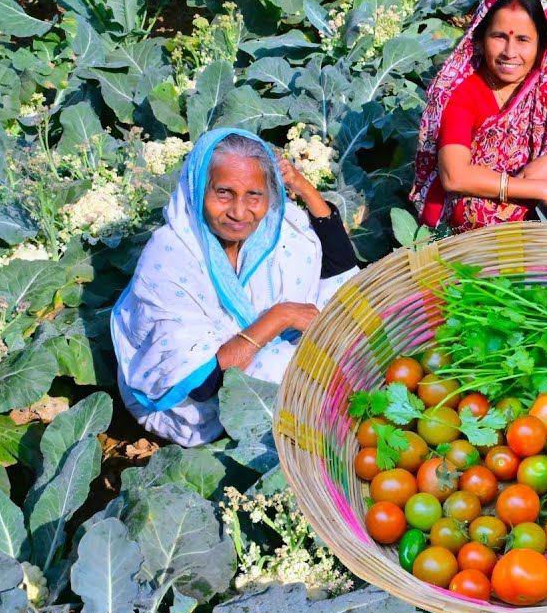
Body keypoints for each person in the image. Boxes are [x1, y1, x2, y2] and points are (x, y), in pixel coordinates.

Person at [111, 128, 360, 446]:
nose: (239, 212)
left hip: (256, 357)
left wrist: (303, 186)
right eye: (223, 193)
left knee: (348, 317)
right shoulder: (169, 258)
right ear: (197, 190)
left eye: (254, 195)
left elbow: (339, 268)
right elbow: (201, 383)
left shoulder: (277, 229)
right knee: (292, 373)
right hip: (189, 409)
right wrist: (280, 317)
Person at [410, 0, 547, 230]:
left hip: (541, 183)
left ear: (541, 44)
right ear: (479, 40)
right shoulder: (462, 94)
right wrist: (542, 189)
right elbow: (454, 176)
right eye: (499, 37)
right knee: (473, 208)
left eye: (523, 40)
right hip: (488, 196)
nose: (510, 53)